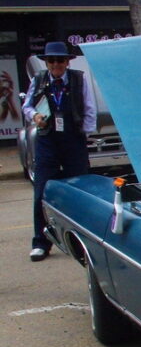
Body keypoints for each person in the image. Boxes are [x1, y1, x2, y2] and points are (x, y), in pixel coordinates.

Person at [23, 41, 96, 262]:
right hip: (47, 141)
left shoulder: (78, 79)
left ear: (67, 62)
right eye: (52, 60)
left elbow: (89, 108)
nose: (56, 64)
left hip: (73, 140)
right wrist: (34, 116)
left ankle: (84, 241)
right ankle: (40, 242)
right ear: (46, 62)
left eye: (60, 60)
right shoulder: (39, 80)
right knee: (41, 191)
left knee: (81, 191)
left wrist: (85, 136)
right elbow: (27, 106)